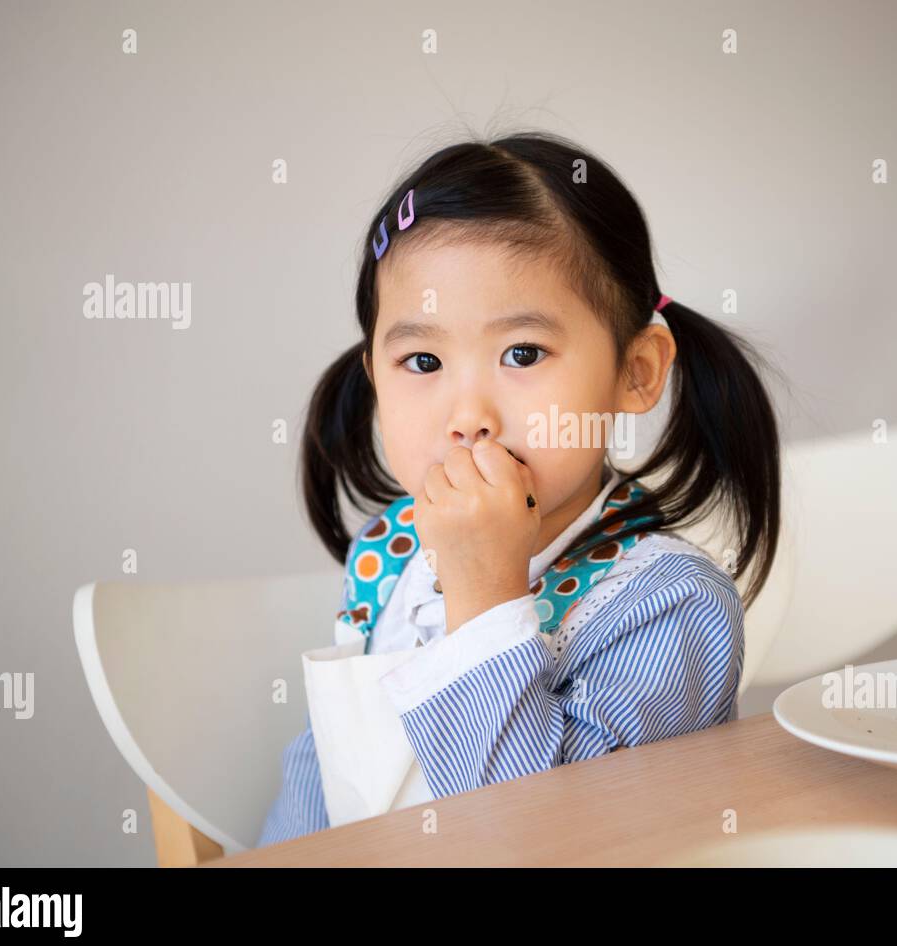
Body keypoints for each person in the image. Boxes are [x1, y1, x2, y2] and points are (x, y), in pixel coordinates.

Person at [258, 131, 782, 846]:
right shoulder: (389, 555)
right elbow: (324, 776)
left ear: (636, 371)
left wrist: (484, 599)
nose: (468, 415)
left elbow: (544, 845)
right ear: (374, 377)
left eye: (522, 353)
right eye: (421, 359)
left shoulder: (669, 606)